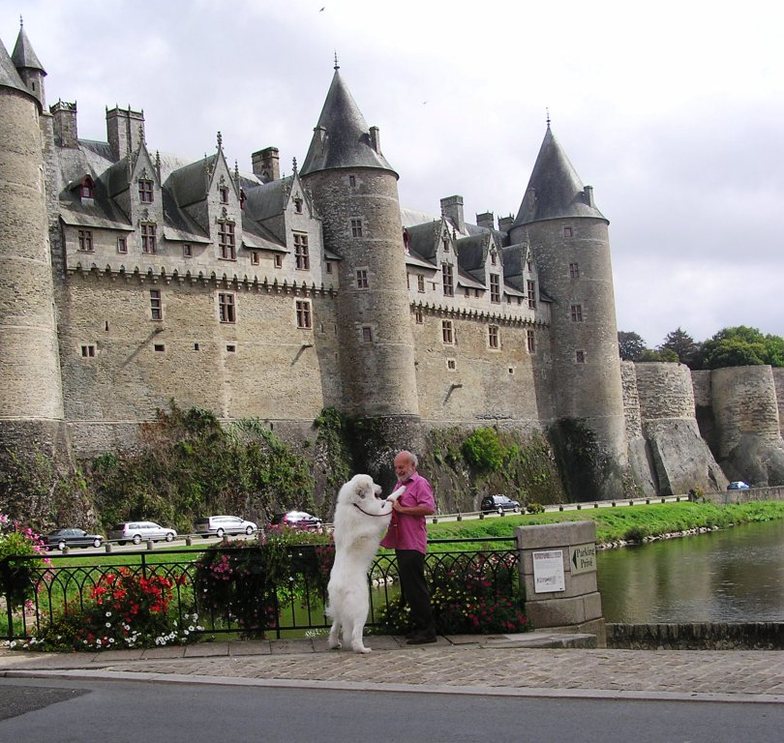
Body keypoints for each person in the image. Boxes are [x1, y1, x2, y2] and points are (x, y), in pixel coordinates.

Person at [380, 450, 437, 644]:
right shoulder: (400, 485)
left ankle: (427, 631)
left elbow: (429, 507)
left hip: (413, 542)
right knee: (409, 589)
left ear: (413, 466)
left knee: (416, 588)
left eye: (402, 467)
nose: (398, 470)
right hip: (402, 541)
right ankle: (418, 626)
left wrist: (402, 509)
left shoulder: (420, 483)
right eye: (396, 467)